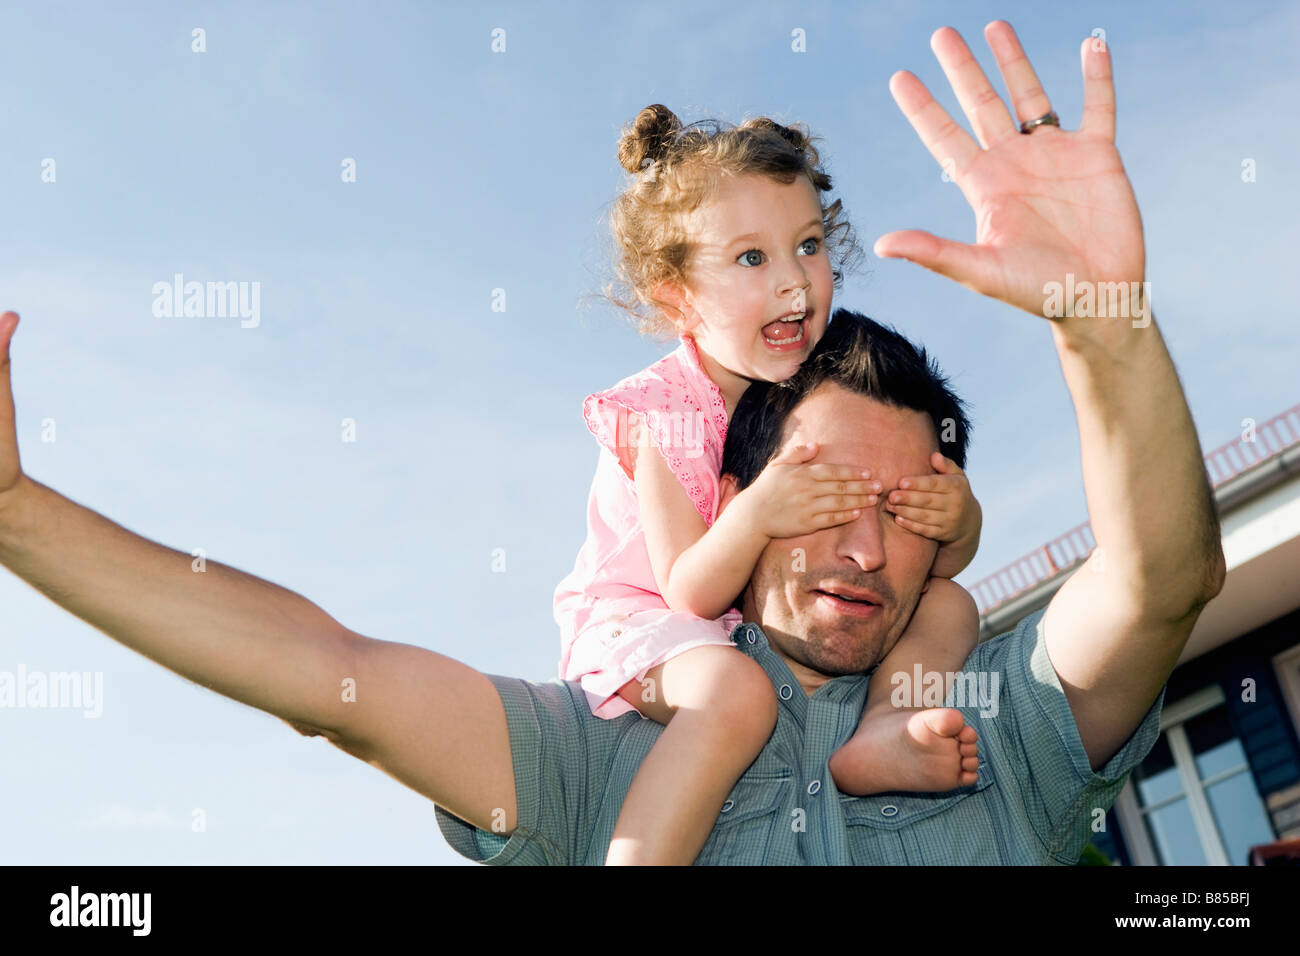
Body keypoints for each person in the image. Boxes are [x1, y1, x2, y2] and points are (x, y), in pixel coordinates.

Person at [0, 21, 1225, 864]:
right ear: (736, 483)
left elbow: (1161, 578)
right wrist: (16, 510)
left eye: (903, 506)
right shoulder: (609, 754)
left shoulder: (984, 727)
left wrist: (1102, 321)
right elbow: (331, 674)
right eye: (821, 489)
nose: (861, 539)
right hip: (651, 644)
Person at [553, 103, 982, 866]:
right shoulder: (668, 412)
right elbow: (690, 590)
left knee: (951, 603)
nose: (793, 282)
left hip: (727, 625)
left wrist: (959, 516)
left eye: (808, 245)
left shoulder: (786, 388)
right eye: (751, 259)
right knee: (735, 698)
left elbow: (938, 564)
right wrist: (756, 513)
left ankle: (887, 726)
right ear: (675, 295)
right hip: (639, 621)